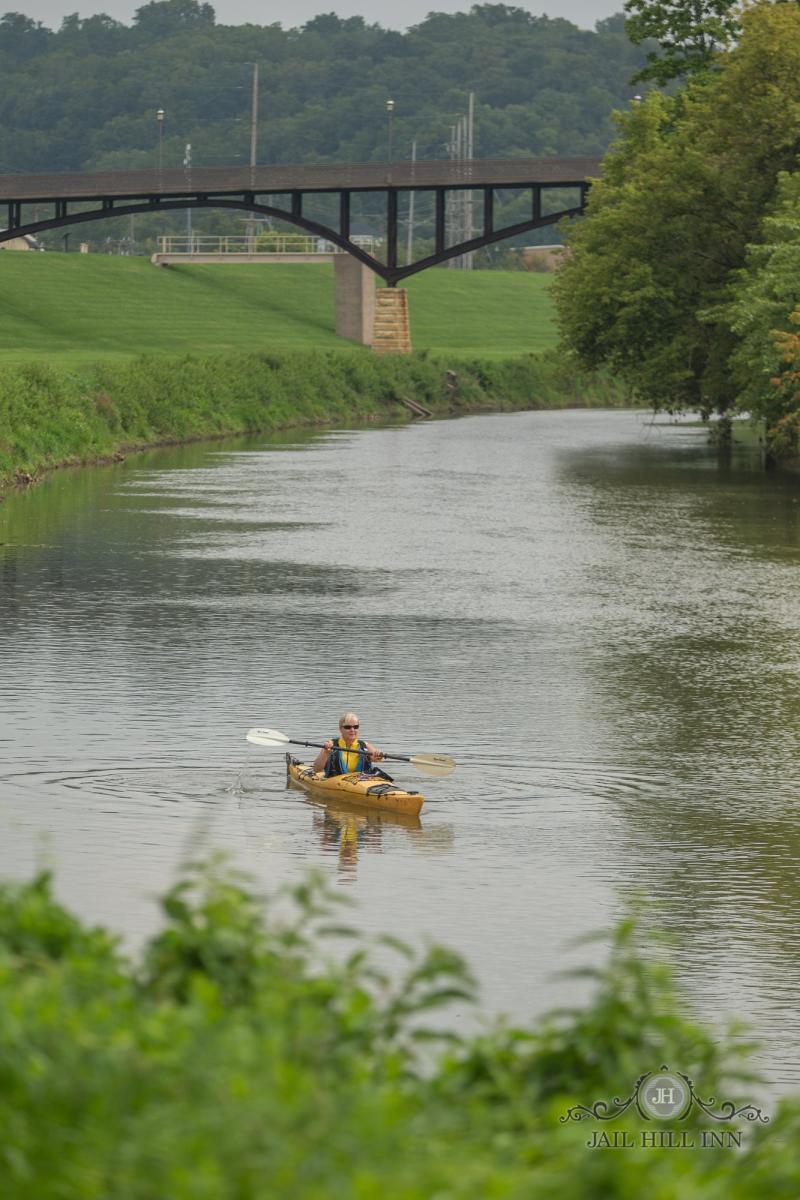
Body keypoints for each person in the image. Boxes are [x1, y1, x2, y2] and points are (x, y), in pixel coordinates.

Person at [312, 713, 386, 777]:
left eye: (355, 727)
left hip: (360, 781)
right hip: (335, 781)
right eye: (348, 727)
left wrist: (378, 756)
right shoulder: (330, 744)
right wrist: (326, 752)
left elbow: (375, 758)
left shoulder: (365, 746)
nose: (352, 730)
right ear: (340, 729)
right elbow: (317, 770)